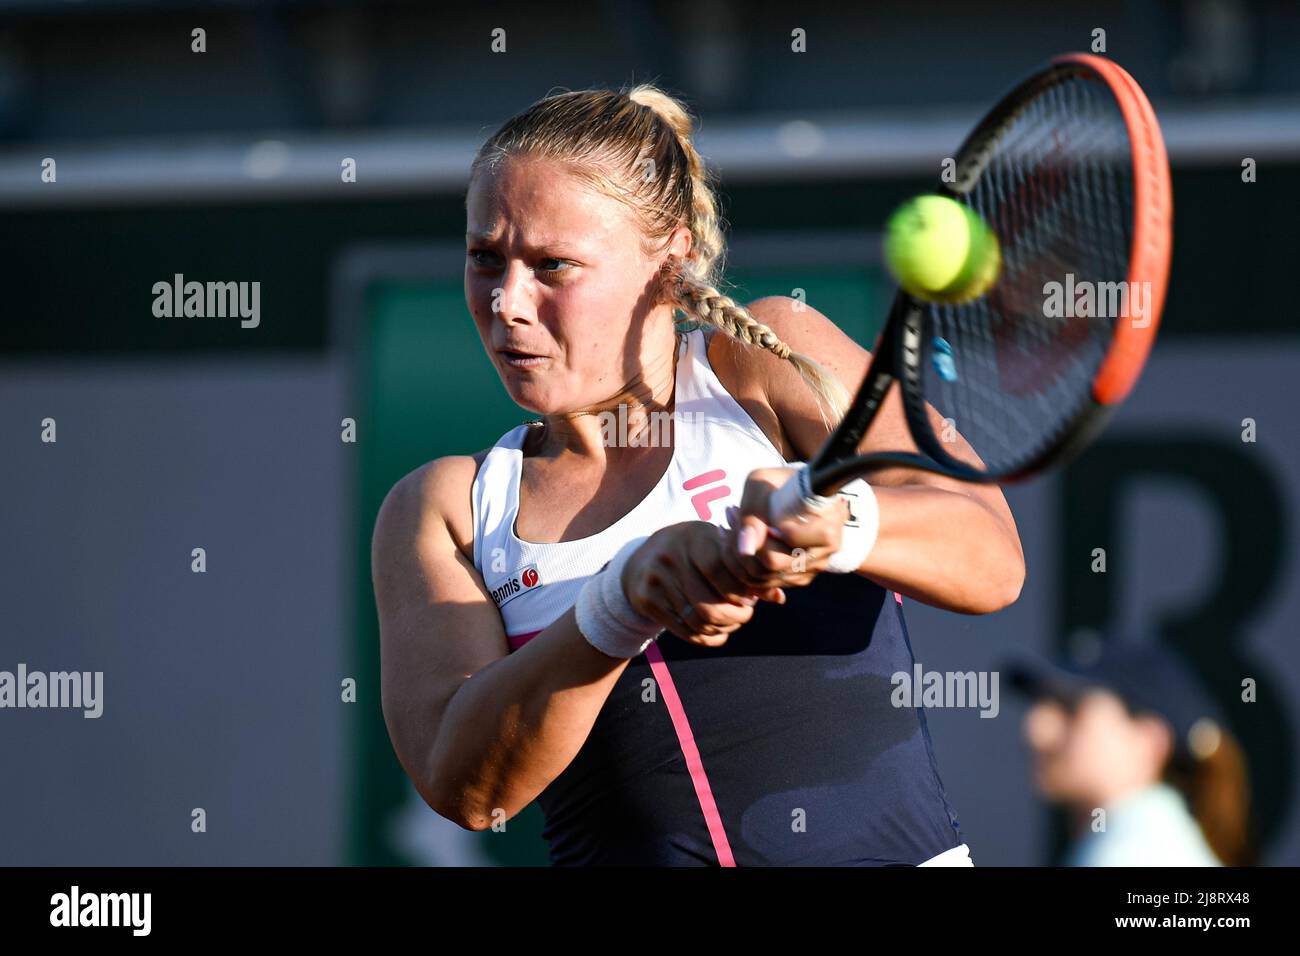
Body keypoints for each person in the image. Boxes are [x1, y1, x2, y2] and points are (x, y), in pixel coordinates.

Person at [371, 83, 1025, 865]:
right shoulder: (444, 507)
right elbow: (469, 788)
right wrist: (619, 603)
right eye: (485, 258)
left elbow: (991, 556)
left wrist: (840, 523)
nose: (508, 301)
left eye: (553, 265)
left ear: (669, 259)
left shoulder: (768, 361)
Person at [1007, 639, 1253, 867]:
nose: (1036, 730)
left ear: (1149, 741)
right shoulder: (1136, 845)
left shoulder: (1128, 855)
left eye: (1070, 708)